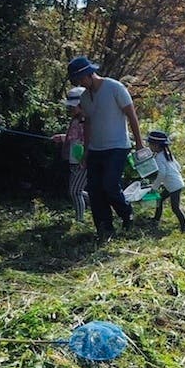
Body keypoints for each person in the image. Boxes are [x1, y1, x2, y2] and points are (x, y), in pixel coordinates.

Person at [67, 56, 144, 238]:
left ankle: (126, 214)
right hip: (95, 148)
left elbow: (131, 115)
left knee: (110, 184)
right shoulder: (85, 98)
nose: (80, 83)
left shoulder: (115, 88)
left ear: (89, 74)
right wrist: (86, 151)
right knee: (94, 189)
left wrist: (139, 143)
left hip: (117, 146)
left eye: (80, 79)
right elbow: (88, 124)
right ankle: (104, 226)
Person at [51, 87, 87, 222]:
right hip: (74, 160)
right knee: (76, 190)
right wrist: (61, 137)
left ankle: (79, 220)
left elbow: (87, 140)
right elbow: (73, 137)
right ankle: (101, 201)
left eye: (74, 107)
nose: (71, 110)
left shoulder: (87, 120)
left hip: (83, 161)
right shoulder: (75, 120)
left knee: (75, 191)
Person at [145, 131, 185, 232]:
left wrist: (155, 187)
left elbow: (162, 174)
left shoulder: (159, 158)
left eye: (150, 144)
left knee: (175, 208)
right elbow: (178, 167)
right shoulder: (168, 155)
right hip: (175, 183)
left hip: (174, 187)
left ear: (156, 146)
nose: (149, 146)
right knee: (159, 200)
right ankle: (156, 219)